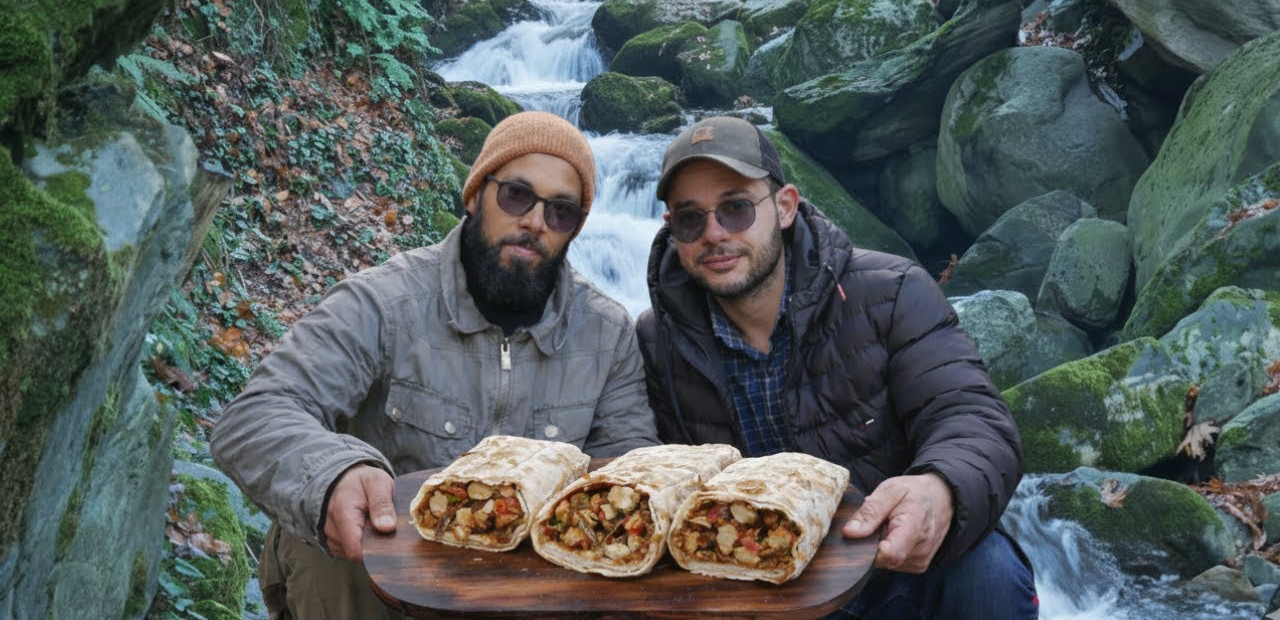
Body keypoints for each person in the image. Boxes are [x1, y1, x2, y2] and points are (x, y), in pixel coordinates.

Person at [212, 110, 659, 619]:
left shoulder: (606, 333)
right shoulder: (384, 302)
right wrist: (332, 477)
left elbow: (633, 468)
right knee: (330, 542)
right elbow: (256, 414)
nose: (536, 222)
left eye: (561, 212)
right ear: (474, 195)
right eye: (517, 195)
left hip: (526, 579)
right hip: (380, 573)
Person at [636, 116, 1037, 619]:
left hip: (886, 563)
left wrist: (940, 487)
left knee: (988, 574)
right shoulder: (657, 338)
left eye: (736, 208)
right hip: (751, 580)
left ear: (785, 207)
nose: (714, 233)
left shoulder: (892, 292)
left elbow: (970, 415)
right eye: (690, 218)